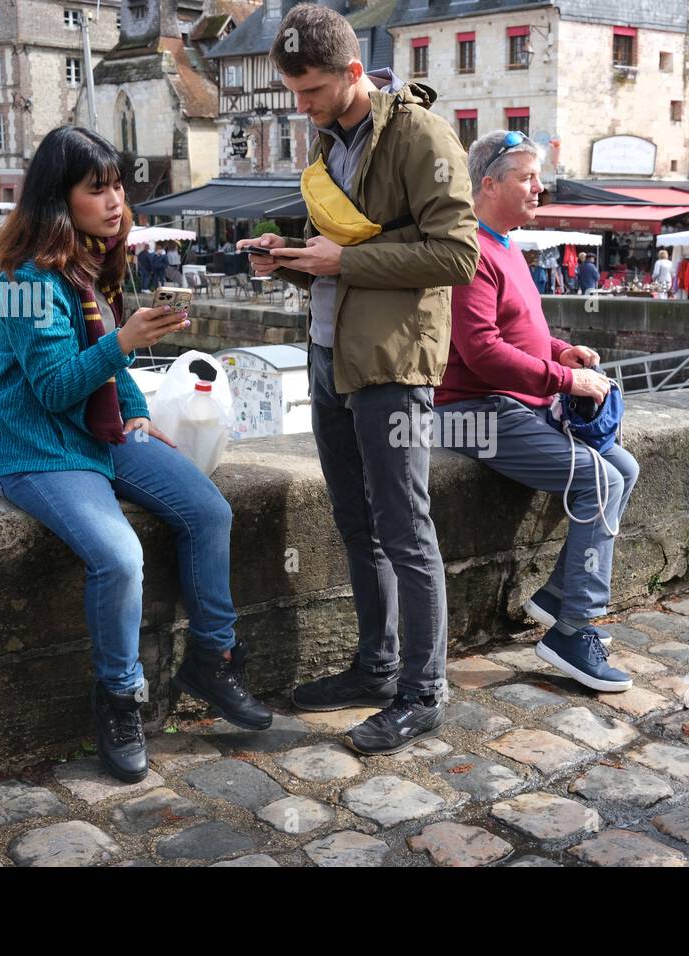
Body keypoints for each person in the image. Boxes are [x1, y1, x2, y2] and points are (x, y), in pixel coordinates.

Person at [0, 125, 271, 784]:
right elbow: (55, 388)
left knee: (208, 511)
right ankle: (119, 697)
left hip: (102, 431)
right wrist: (127, 343)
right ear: (60, 198)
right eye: (96, 189)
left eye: (117, 186)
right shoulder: (27, 281)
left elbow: (107, 357)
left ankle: (213, 660)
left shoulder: (92, 258)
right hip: (41, 448)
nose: (115, 202)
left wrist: (135, 406)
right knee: (119, 556)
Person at [241, 4, 478, 755]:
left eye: (310, 92)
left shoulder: (420, 135)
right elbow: (341, 253)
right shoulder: (329, 139)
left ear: (352, 73)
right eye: (294, 94)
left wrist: (342, 262)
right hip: (327, 354)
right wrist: (287, 261)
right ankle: (376, 667)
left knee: (406, 528)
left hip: (392, 364)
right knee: (354, 520)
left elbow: (457, 256)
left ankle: (422, 691)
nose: (301, 108)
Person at [436, 129, 637, 692]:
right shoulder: (471, 252)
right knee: (598, 478)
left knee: (626, 468)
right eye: (527, 178)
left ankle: (556, 596)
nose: (538, 188)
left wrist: (559, 351)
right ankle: (573, 629)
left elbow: (519, 335)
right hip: (471, 410)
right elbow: (480, 351)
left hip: (510, 406)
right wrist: (567, 378)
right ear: (489, 183)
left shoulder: (505, 244)